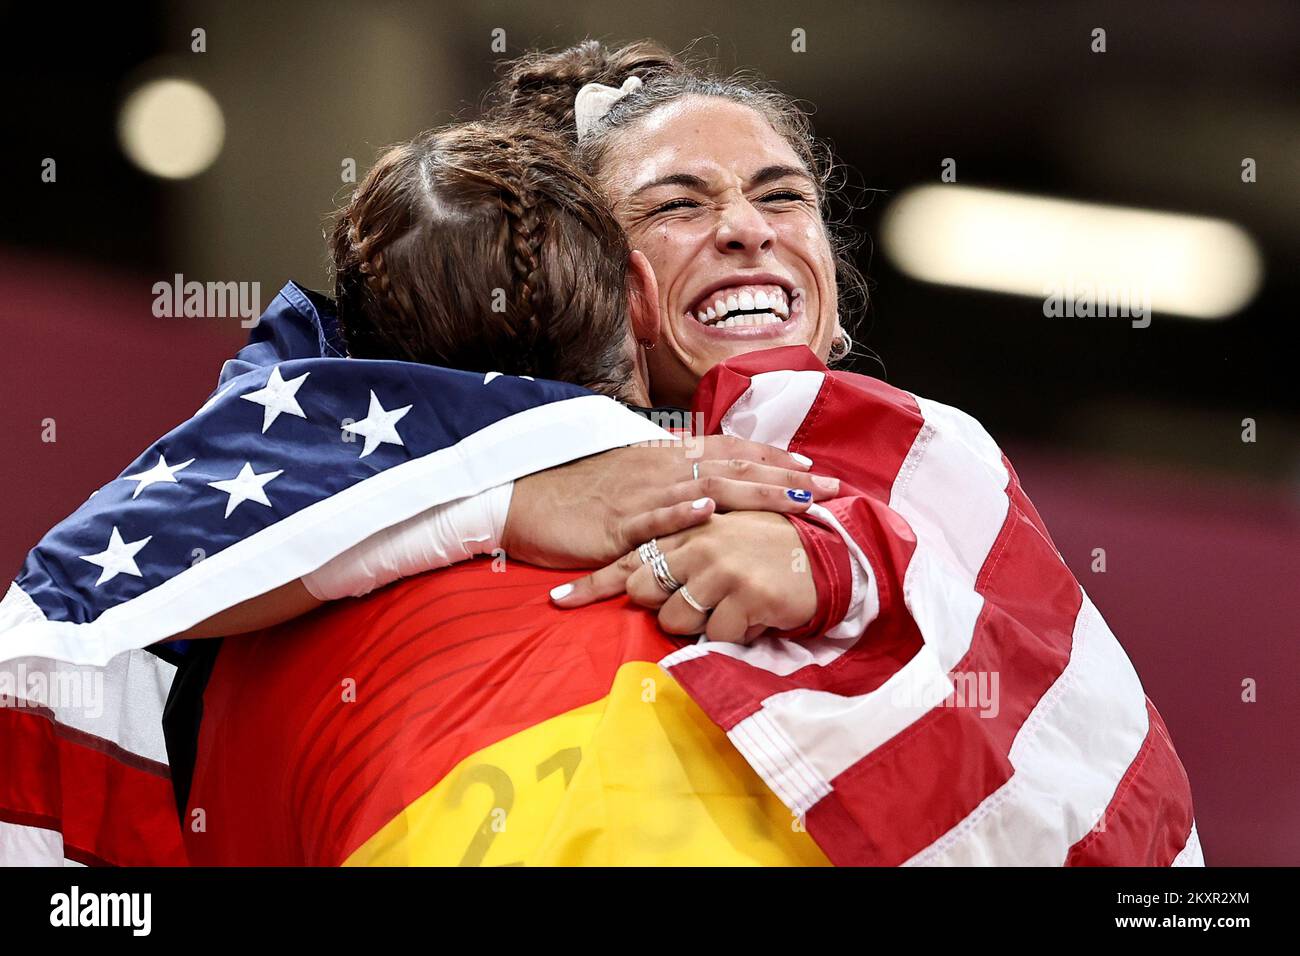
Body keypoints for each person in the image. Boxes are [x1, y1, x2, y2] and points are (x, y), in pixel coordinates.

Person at [184, 41, 1199, 866]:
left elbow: (1081, 753)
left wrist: (845, 560)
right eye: (678, 204)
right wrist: (507, 498)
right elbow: (163, 582)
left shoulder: (935, 459)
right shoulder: (407, 462)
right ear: (586, 280)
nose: (747, 230)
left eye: (783, 196)